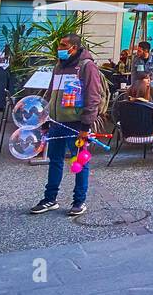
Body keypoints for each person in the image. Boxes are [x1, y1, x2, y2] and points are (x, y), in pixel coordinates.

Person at [31, 33, 106, 217]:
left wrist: (86, 126)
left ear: (74, 47)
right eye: (59, 45)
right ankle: (50, 199)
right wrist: (46, 117)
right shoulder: (59, 67)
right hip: (56, 121)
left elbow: (93, 96)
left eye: (64, 45)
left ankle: (79, 201)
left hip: (76, 123)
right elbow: (51, 93)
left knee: (80, 162)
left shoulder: (87, 67)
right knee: (54, 160)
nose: (60, 49)